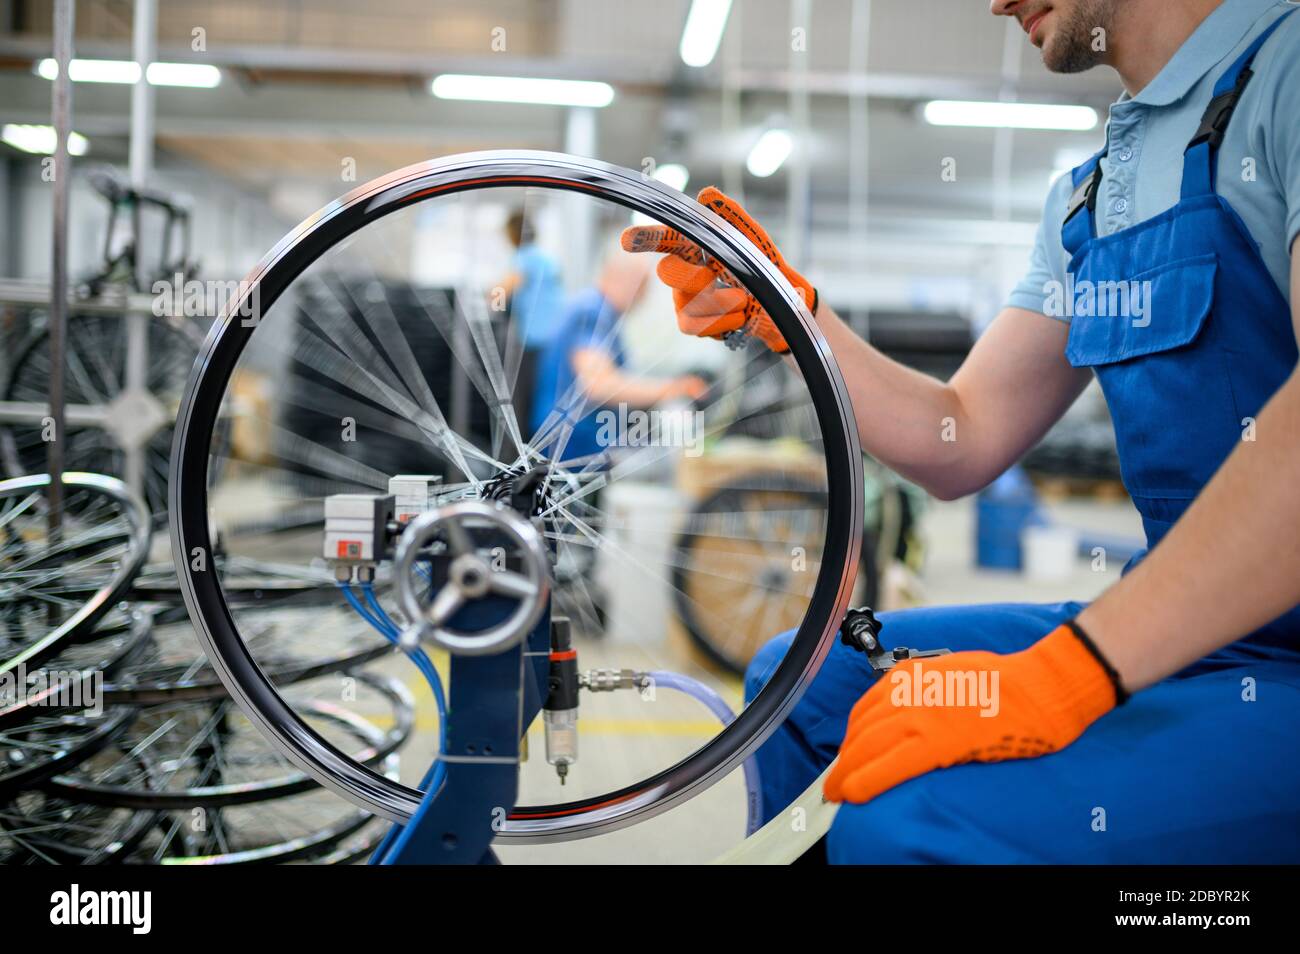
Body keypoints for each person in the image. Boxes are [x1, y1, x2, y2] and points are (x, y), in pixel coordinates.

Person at [623, 0, 1300, 863]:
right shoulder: (1091, 195)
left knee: (911, 820)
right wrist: (789, 316)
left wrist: (1070, 674)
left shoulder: (1287, 72)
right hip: (1201, 638)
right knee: (803, 683)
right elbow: (962, 435)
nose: (994, 3)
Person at [530, 253, 708, 466]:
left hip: (579, 438)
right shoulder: (592, 311)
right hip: (570, 442)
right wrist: (676, 388)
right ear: (628, 282)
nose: (644, 297)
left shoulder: (601, 312)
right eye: (643, 287)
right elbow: (599, 385)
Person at [500, 209, 564, 436]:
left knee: (524, 400)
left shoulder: (524, 258)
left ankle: (524, 452)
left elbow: (502, 292)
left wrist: (489, 297)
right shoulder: (547, 259)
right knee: (544, 395)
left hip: (534, 340)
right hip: (554, 337)